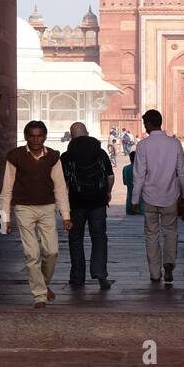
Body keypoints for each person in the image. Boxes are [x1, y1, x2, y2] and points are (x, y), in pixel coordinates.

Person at [0, 120, 71, 309]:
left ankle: (43, 284)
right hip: (24, 208)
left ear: (45, 137)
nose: (36, 139)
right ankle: (39, 296)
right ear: (26, 137)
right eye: (32, 136)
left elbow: (60, 188)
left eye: (39, 136)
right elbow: (6, 189)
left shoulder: (53, 157)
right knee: (31, 253)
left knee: (52, 251)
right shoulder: (15, 157)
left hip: (47, 207)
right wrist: (5, 218)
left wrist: (66, 215)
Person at [131, 108, 184, 284]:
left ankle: (155, 273)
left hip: (149, 196)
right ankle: (169, 262)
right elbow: (182, 172)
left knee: (151, 234)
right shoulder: (174, 143)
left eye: (145, 123)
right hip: (170, 195)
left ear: (148, 123)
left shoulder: (143, 145)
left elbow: (139, 174)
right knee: (171, 231)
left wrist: (134, 198)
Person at [61, 121, 114, 290]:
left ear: (71, 136)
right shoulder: (100, 152)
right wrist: (107, 193)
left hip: (76, 202)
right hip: (98, 201)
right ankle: (100, 273)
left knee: (75, 238)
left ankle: (77, 276)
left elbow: (62, 182)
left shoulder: (67, 155)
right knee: (99, 237)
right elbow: (110, 177)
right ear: (88, 133)